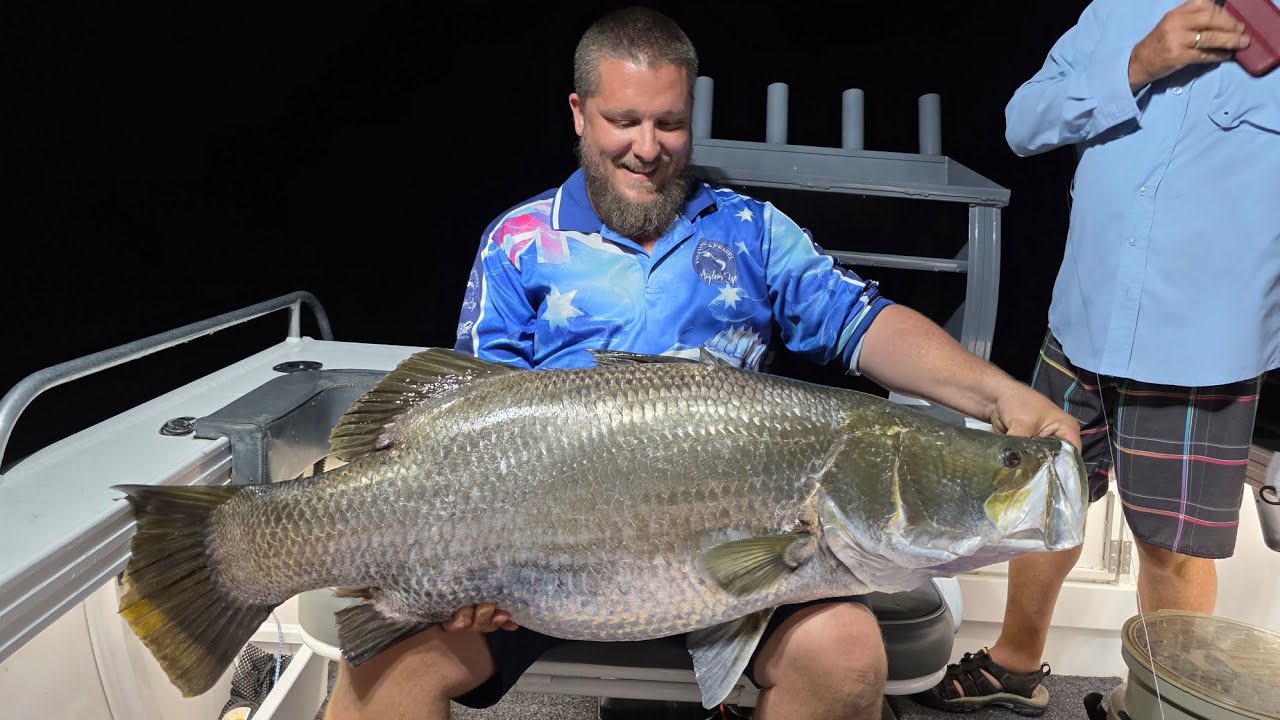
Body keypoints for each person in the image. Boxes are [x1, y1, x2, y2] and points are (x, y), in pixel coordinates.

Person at [323, 6, 1083, 720]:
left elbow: (864, 322)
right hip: (538, 560)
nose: (647, 147)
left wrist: (998, 396)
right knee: (378, 685)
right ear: (580, 114)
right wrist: (463, 570)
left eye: (669, 123)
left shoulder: (750, 230)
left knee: (849, 658)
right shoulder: (521, 241)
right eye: (622, 121)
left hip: (733, 555)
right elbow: (475, 414)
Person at [911, 0, 1279, 715]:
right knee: (1045, 499)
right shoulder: (1119, 10)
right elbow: (1024, 124)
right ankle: (1014, 669)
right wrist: (1137, 64)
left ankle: (1158, 703)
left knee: (1168, 546)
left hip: (1201, 348)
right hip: (1082, 318)